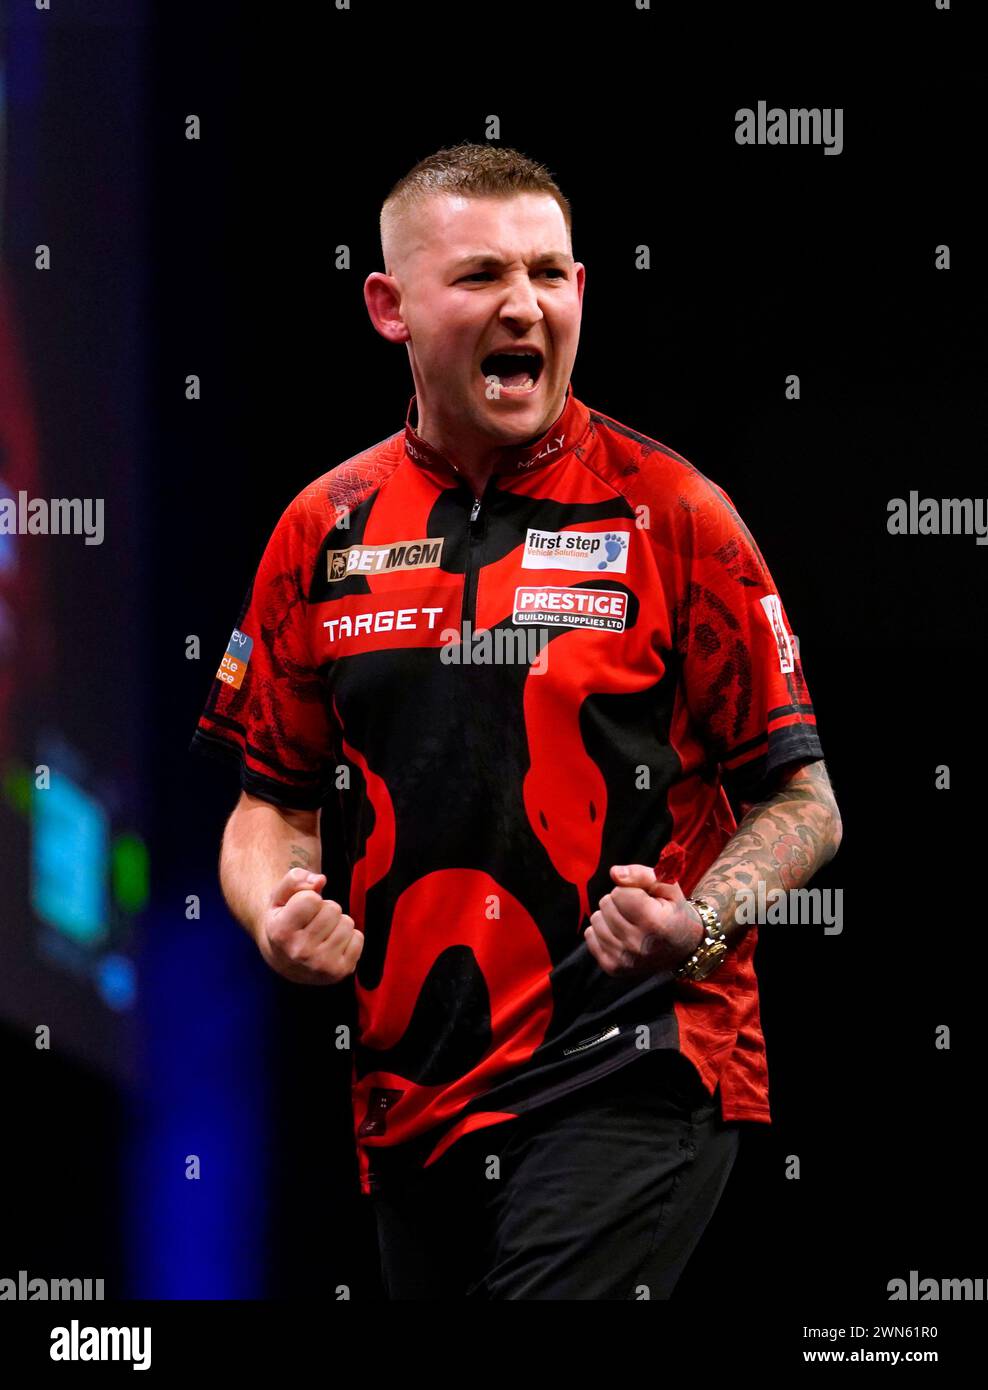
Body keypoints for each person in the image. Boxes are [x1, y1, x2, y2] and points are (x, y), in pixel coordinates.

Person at [190, 143, 843, 1300]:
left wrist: (699, 922)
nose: (525, 305)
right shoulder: (321, 529)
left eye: (549, 273)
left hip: (636, 1063)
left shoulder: (675, 515)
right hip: (415, 1098)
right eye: (483, 275)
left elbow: (803, 802)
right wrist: (269, 911)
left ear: (581, 291)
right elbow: (270, 803)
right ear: (389, 307)